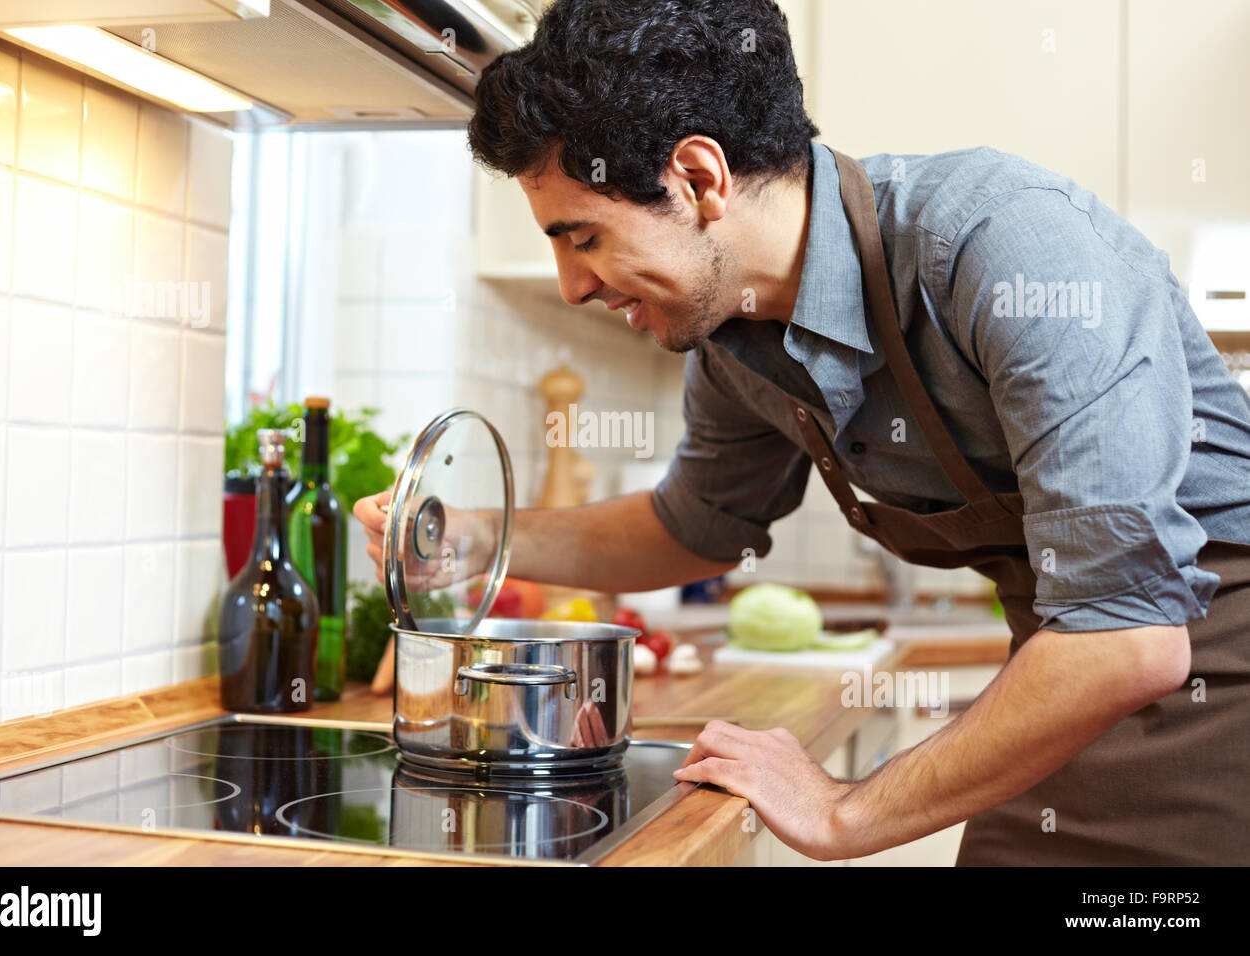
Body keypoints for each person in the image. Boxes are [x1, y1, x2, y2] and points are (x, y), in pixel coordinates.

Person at [355, 0, 1250, 864]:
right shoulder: (735, 345)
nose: (571, 286)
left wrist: (844, 811)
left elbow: (1131, 637)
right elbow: (693, 525)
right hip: (1059, 688)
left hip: (1212, 682)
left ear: (699, 179)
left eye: (582, 236)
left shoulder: (1005, 246)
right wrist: (473, 540)